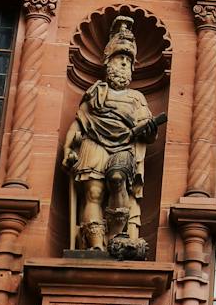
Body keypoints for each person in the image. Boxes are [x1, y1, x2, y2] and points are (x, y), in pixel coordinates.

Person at [64, 17, 166, 257]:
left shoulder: (137, 97)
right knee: (94, 192)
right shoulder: (96, 93)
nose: (123, 65)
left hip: (124, 147)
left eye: (127, 62)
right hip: (93, 143)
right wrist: (68, 148)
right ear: (108, 63)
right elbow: (79, 123)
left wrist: (149, 129)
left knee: (118, 179)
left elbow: (147, 132)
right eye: (119, 60)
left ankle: (116, 238)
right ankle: (96, 244)